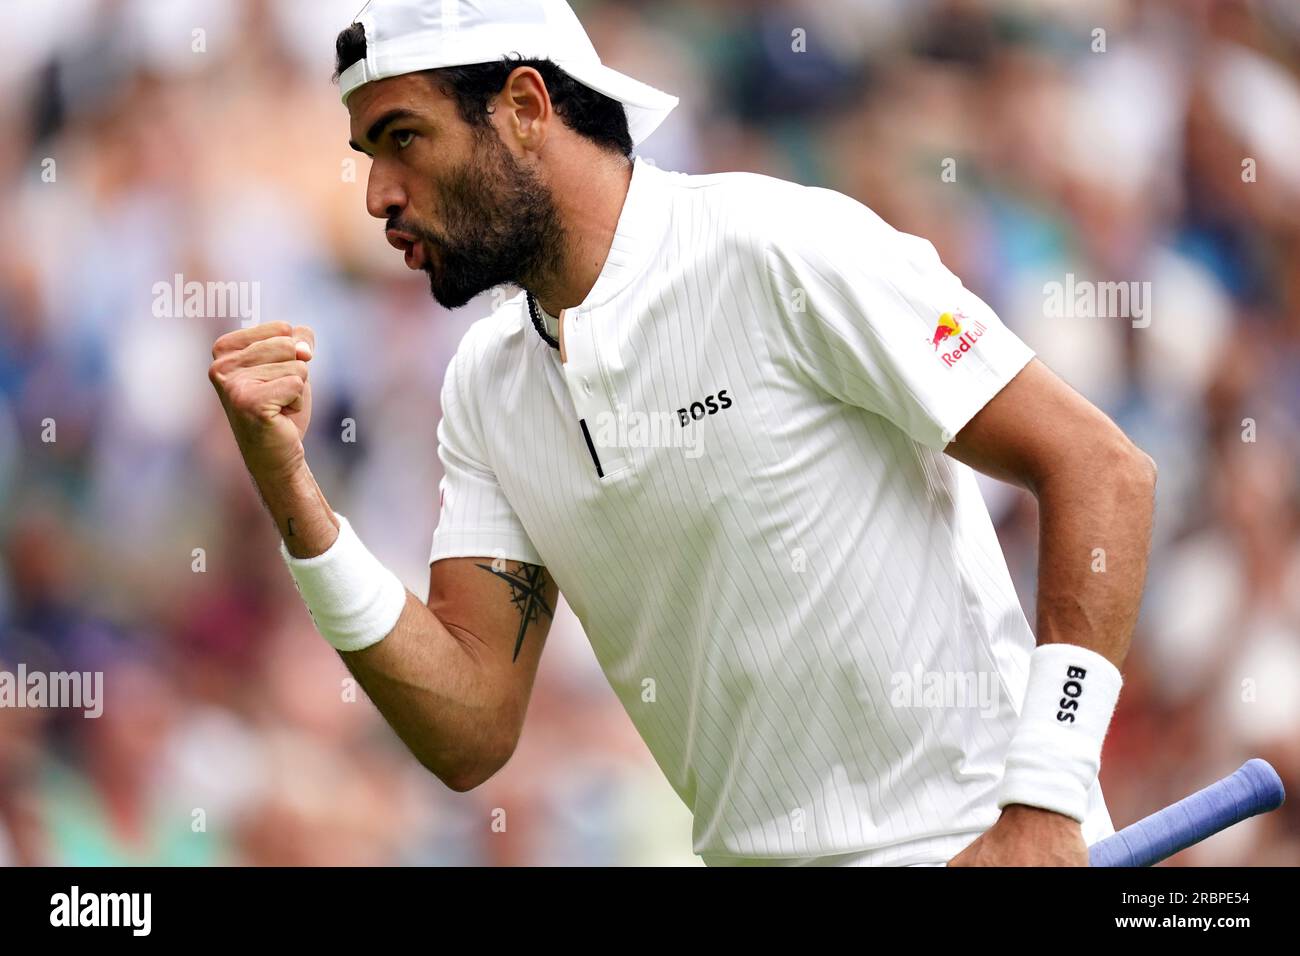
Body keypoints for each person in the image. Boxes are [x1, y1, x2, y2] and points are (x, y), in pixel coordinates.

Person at [207, 0, 1156, 866]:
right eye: (369, 152)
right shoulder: (488, 386)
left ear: (527, 107)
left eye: (402, 138)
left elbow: (1102, 470)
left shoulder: (782, 247)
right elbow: (470, 729)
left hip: (971, 843)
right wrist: (298, 501)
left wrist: (1042, 805)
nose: (377, 194)